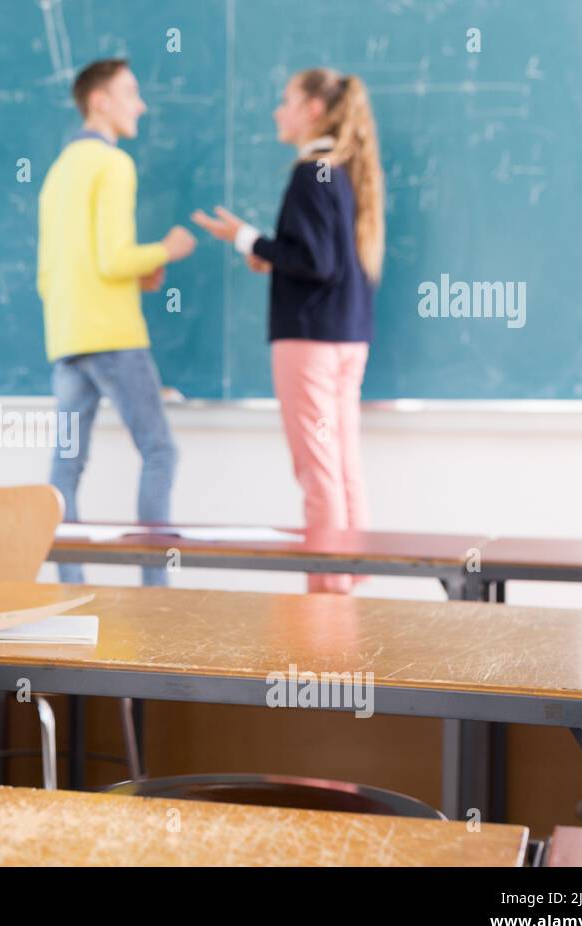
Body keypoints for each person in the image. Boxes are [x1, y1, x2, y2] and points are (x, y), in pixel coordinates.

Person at [194, 69, 384, 593]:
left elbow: (315, 261)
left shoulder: (311, 170)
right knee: (343, 462)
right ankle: (348, 587)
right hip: (347, 335)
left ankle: (327, 597)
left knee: (317, 468)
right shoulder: (344, 169)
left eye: (286, 101)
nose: (278, 111)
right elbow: (323, 259)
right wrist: (272, 255)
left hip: (309, 340)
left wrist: (248, 239)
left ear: (313, 111)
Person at [37, 58, 197, 587]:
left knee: (67, 465)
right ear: (99, 100)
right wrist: (166, 249)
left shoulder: (59, 171)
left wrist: (138, 271)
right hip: (113, 334)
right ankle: (156, 588)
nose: (141, 104)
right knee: (159, 450)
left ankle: (72, 586)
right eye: (131, 92)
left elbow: (56, 271)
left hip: (67, 335)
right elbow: (111, 258)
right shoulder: (113, 164)